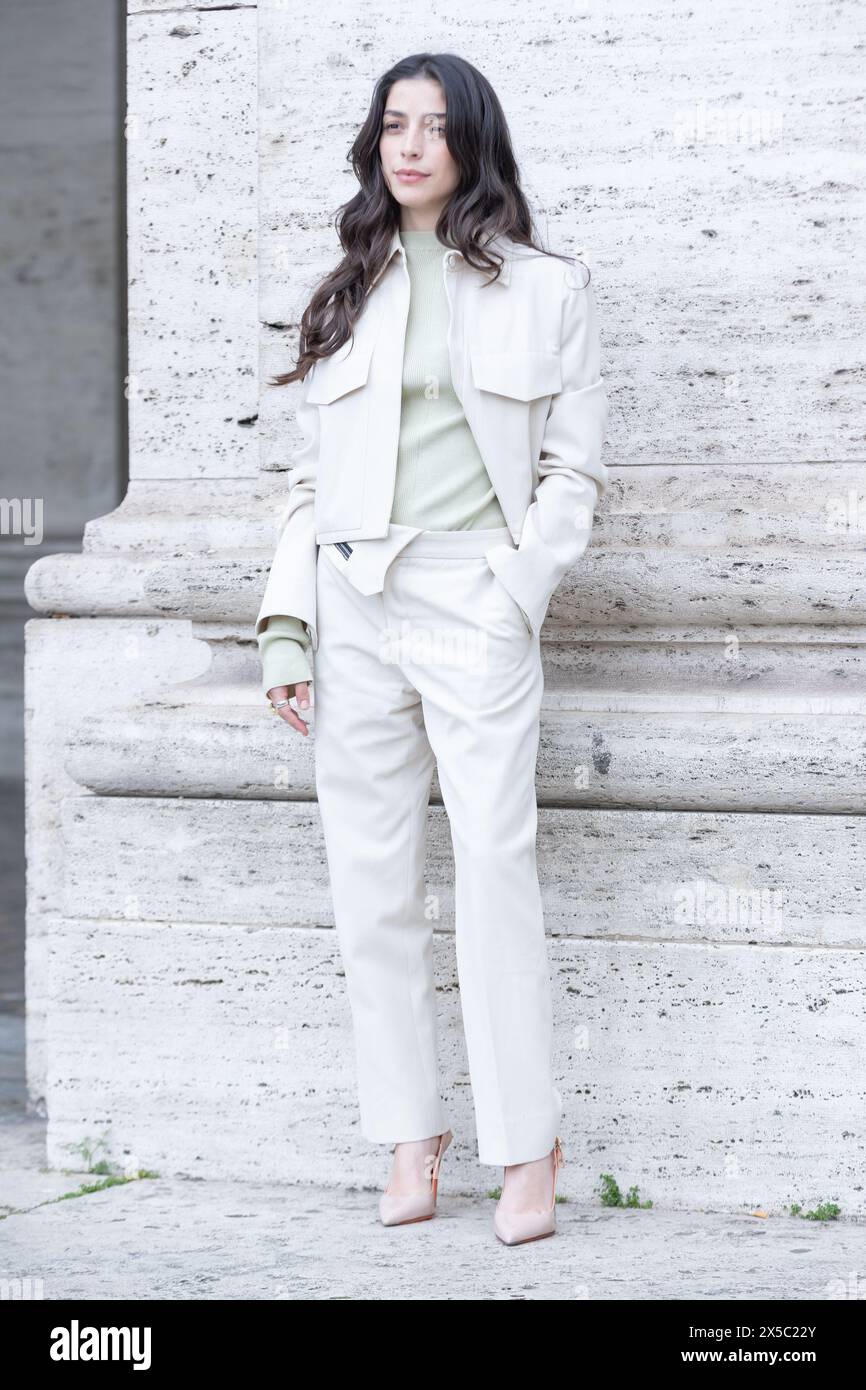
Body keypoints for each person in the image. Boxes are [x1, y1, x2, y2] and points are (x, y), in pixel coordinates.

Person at [254, 51, 609, 1245]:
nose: (409, 146)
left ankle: (527, 1144)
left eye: (434, 126)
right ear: (374, 145)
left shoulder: (545, 288)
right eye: (392, 126)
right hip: (350, 596)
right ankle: (410, 1135)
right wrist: (285, 625)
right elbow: (308, 480)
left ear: (471, 143)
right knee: (370, 888)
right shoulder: (345, 287)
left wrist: (515, 590)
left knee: (493, 880)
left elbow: (573, 472)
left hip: (472, 598)